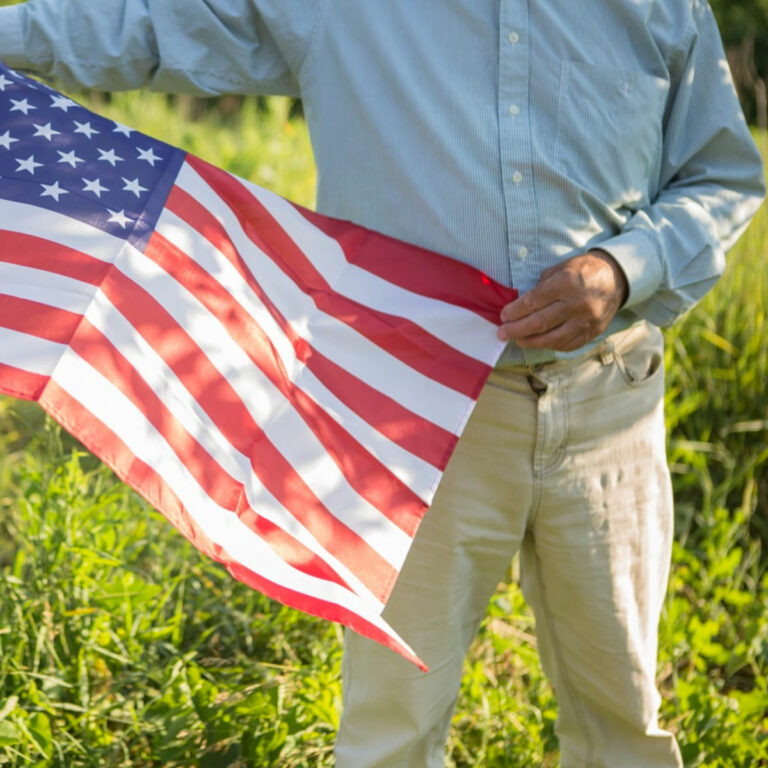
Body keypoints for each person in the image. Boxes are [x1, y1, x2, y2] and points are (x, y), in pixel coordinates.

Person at [0, 1, 763, 766]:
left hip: (614, 399)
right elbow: (148, 25)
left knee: (623, 722)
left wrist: (629, 267)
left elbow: (722, 174)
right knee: (391, 730)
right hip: (415, 411)